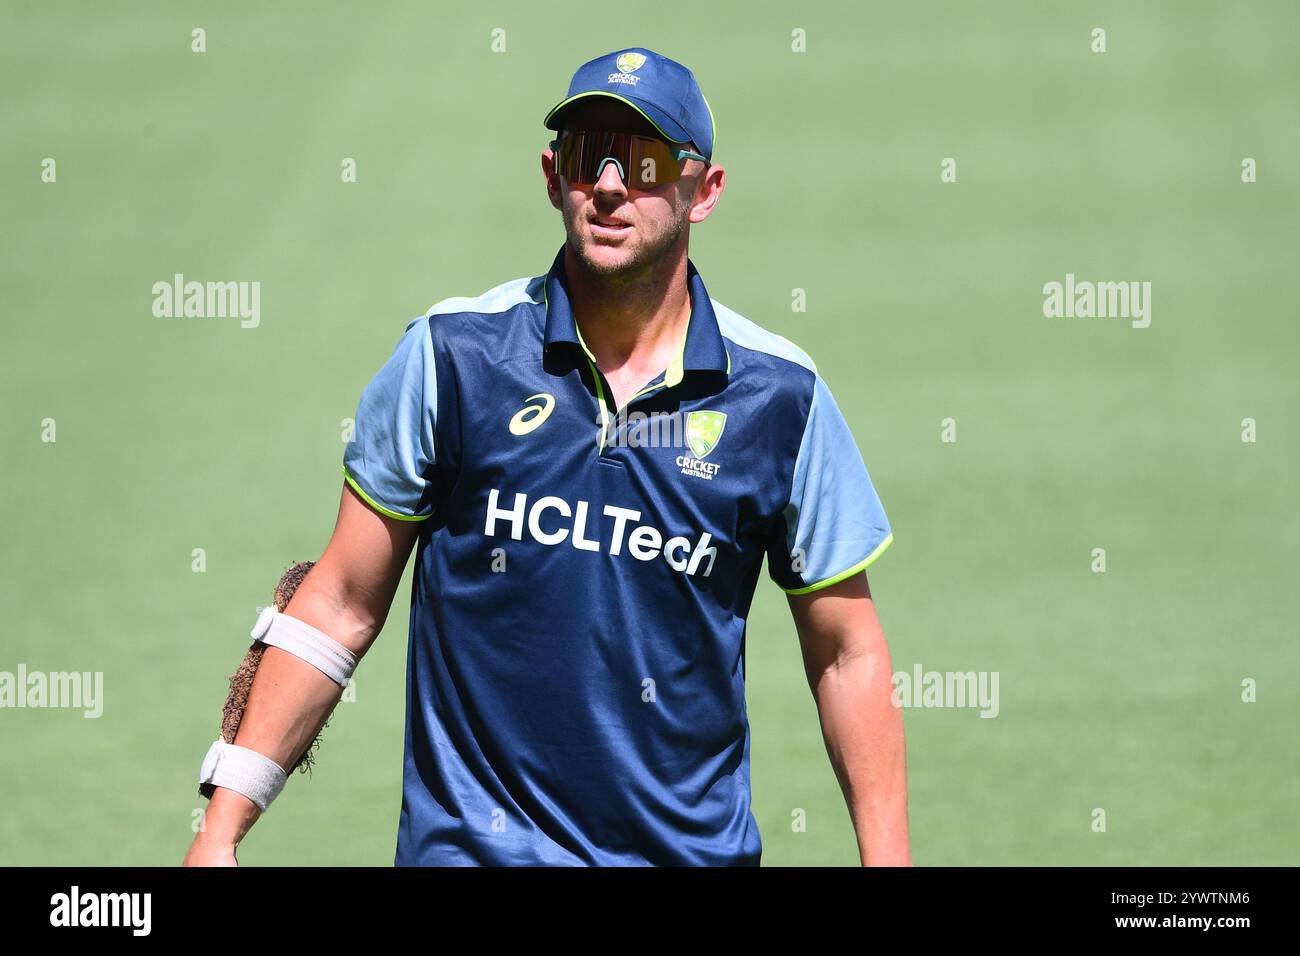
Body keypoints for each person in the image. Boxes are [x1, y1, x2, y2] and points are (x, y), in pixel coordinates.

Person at [184, 47, 911, 867]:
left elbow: (847, 650)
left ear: (703, 191)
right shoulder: (453, 359)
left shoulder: (780, 400)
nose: (607, 183)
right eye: (583, 155)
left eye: (642, 161)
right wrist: (222, 826)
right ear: (550, 173)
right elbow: (341, 601)